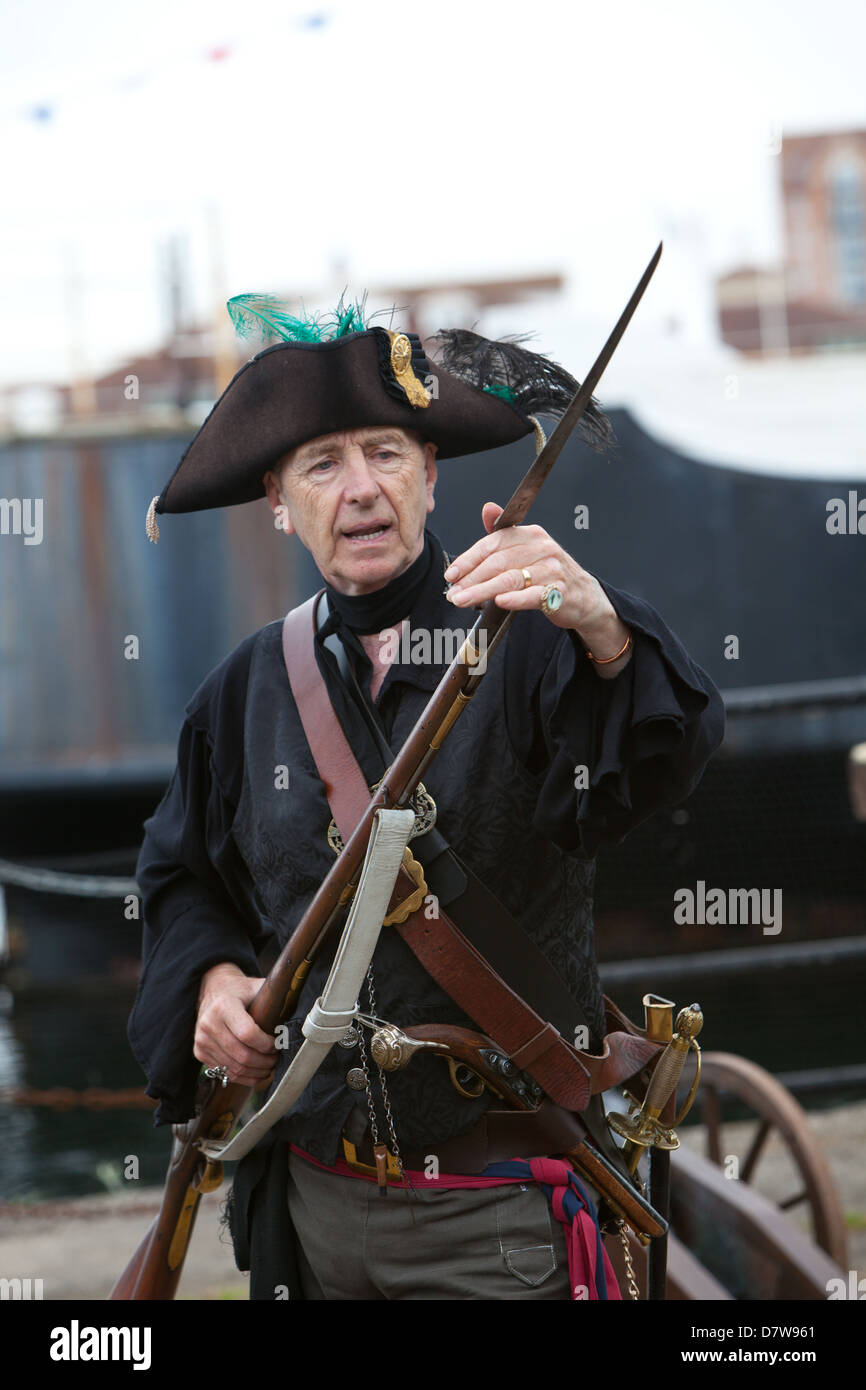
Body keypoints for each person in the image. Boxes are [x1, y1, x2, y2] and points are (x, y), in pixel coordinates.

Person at [130, 299, 725, 1300]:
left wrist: (600, 626)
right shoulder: (240, 692)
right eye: (322, 464)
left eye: (386, 453)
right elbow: (182, 879)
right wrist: (210, 984)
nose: (360, 488)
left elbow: (663, 759)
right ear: (278, 497)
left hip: (498, 1210)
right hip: (314, 1212)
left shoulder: (535, 642)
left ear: (431, 471)